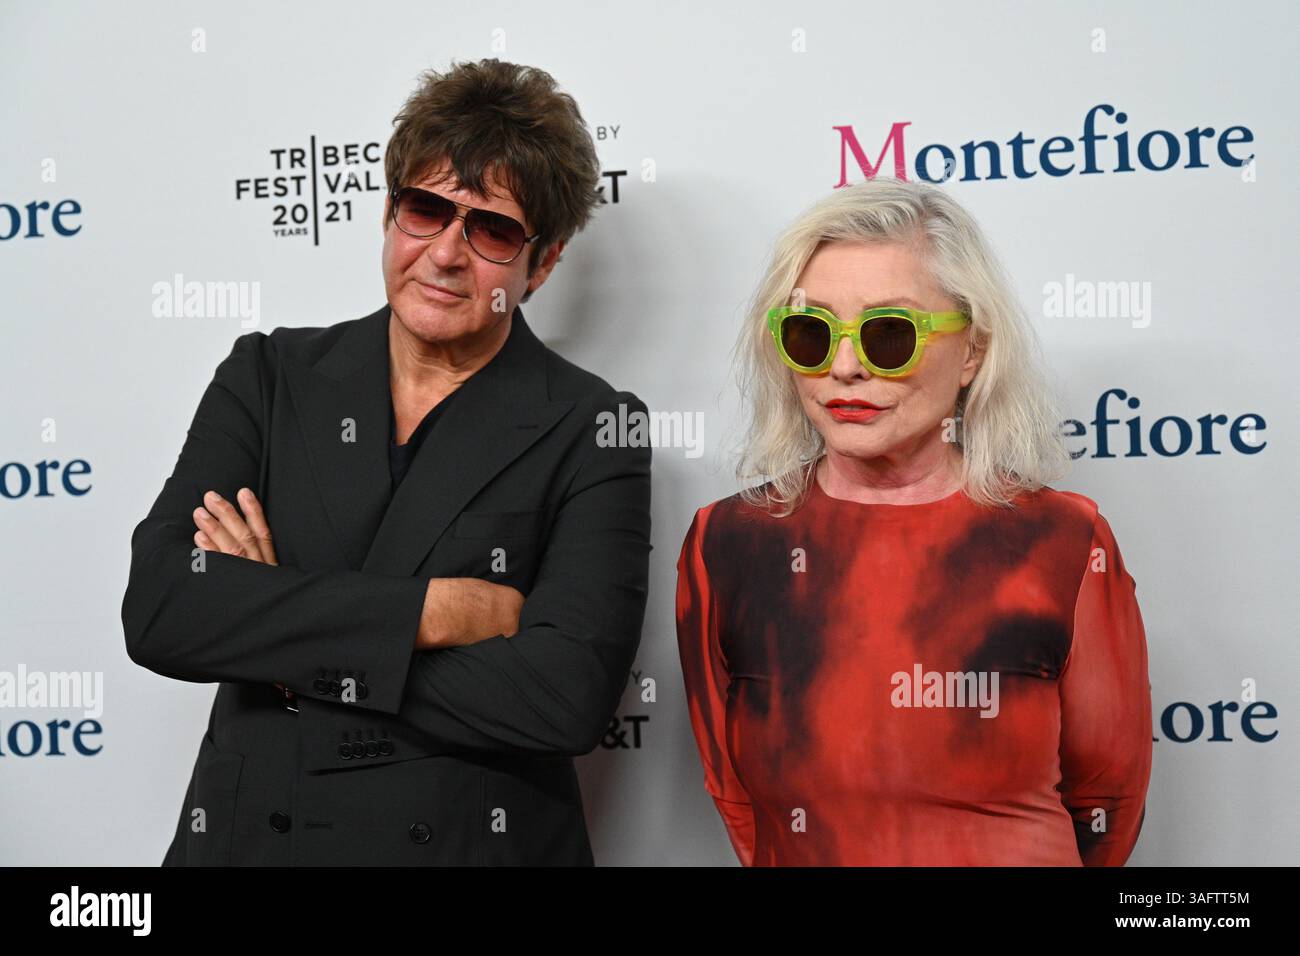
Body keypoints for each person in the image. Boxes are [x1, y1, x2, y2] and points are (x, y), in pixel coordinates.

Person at [122, 59, 652, 866]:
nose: (445, 254)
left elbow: (562, 700)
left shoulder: (594, 426)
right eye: (426, 210)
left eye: (492, 230)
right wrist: (436, 615)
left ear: (541, 264)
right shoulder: (267, 377)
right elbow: (163, 607)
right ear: (387, 213)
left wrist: (283, 648)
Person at [675, 178, 1152, 866]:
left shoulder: (1066, 542)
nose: (843, 368)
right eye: (810, 334)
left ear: (974, 351)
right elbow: (737, 797)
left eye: (889, 335)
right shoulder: (726, 543)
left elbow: (1106, 803)